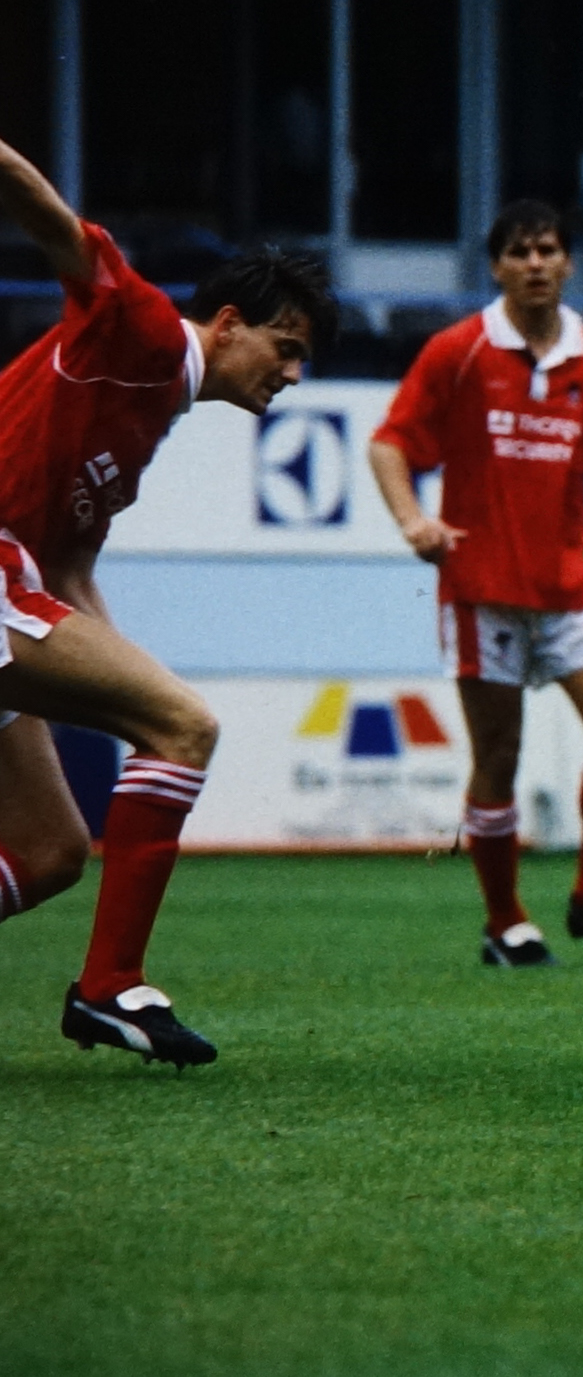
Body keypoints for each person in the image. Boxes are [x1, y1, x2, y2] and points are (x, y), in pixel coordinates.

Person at [0, 131, 336, 1066]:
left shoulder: (148, 418)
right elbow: (51, 222)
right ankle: (110, 989)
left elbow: (62, 572)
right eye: (287, 347)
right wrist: (159, 711)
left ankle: (110, 985)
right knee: (184, 727)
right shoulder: (143, 333)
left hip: (13, 586)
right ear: (227, 324)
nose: (293, 373)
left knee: (47, 853)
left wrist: (130, 685)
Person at [369, 201, 583, 969]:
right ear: (496, 266)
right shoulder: (459, 350)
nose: (535, 262)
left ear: (567, 263)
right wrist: (413, 522)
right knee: (498, 757)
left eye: (548, 249)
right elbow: (389, 444)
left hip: (571, 584)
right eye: (520, 251)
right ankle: (506, 924)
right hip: (481, 587)